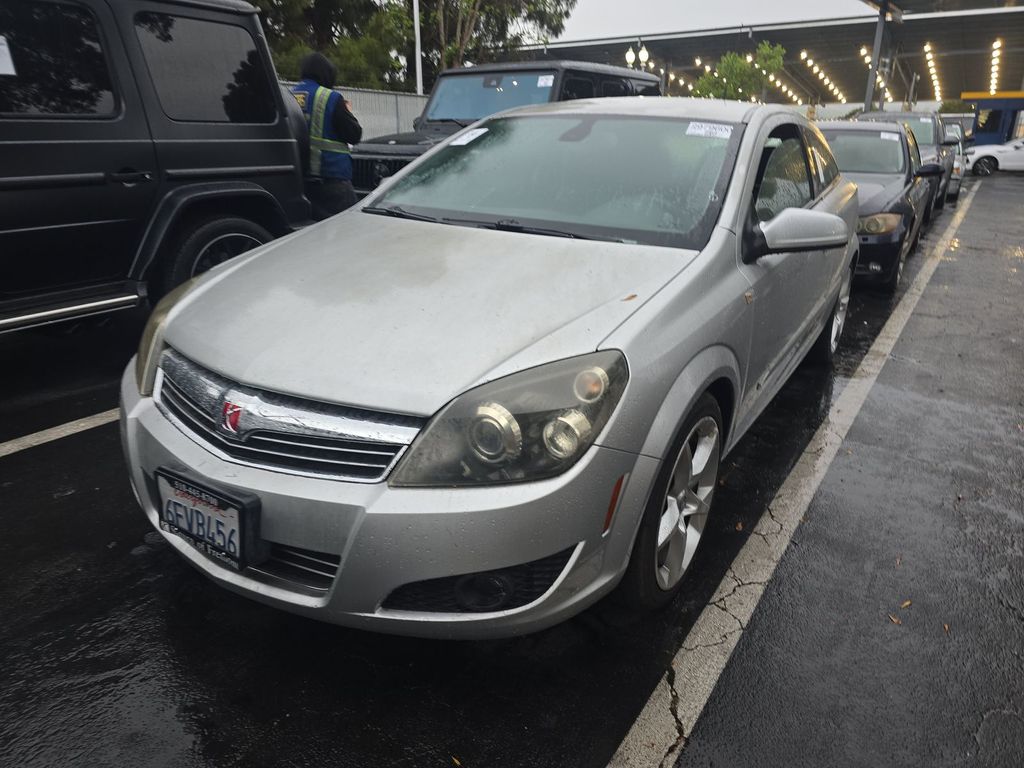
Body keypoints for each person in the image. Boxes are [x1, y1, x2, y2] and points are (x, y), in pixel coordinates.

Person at [290, 53, 362, 220]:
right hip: (332, 179)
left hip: (299, 180)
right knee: (352, 227)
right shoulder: (330, 97)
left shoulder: (289, 95)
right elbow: (354, 134)